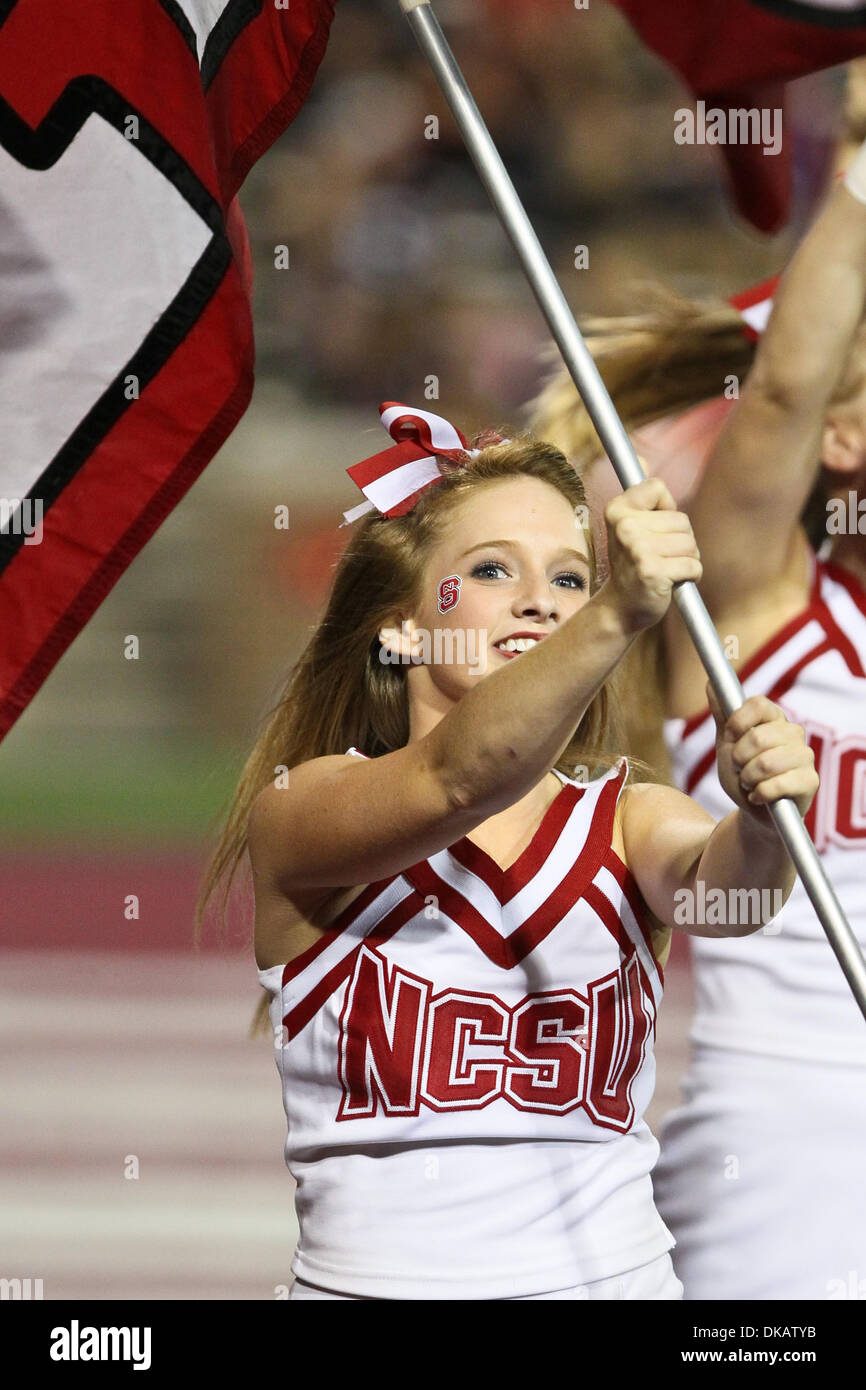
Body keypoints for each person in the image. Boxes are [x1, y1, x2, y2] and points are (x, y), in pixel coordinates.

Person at [197, 402, 817, 1300]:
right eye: (493, 570)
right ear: (402, 628)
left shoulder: (627, 818)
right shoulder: (303, 810)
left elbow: (733, 897)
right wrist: (612, 615)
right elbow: (458, 778)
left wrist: (764, 821)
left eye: (571, 580)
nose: (542, 601)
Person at [527, 117, 866, 1300]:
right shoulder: (761, 611)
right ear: (843, 440)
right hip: (785, 1120)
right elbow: (771, 396)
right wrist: (861, 167)